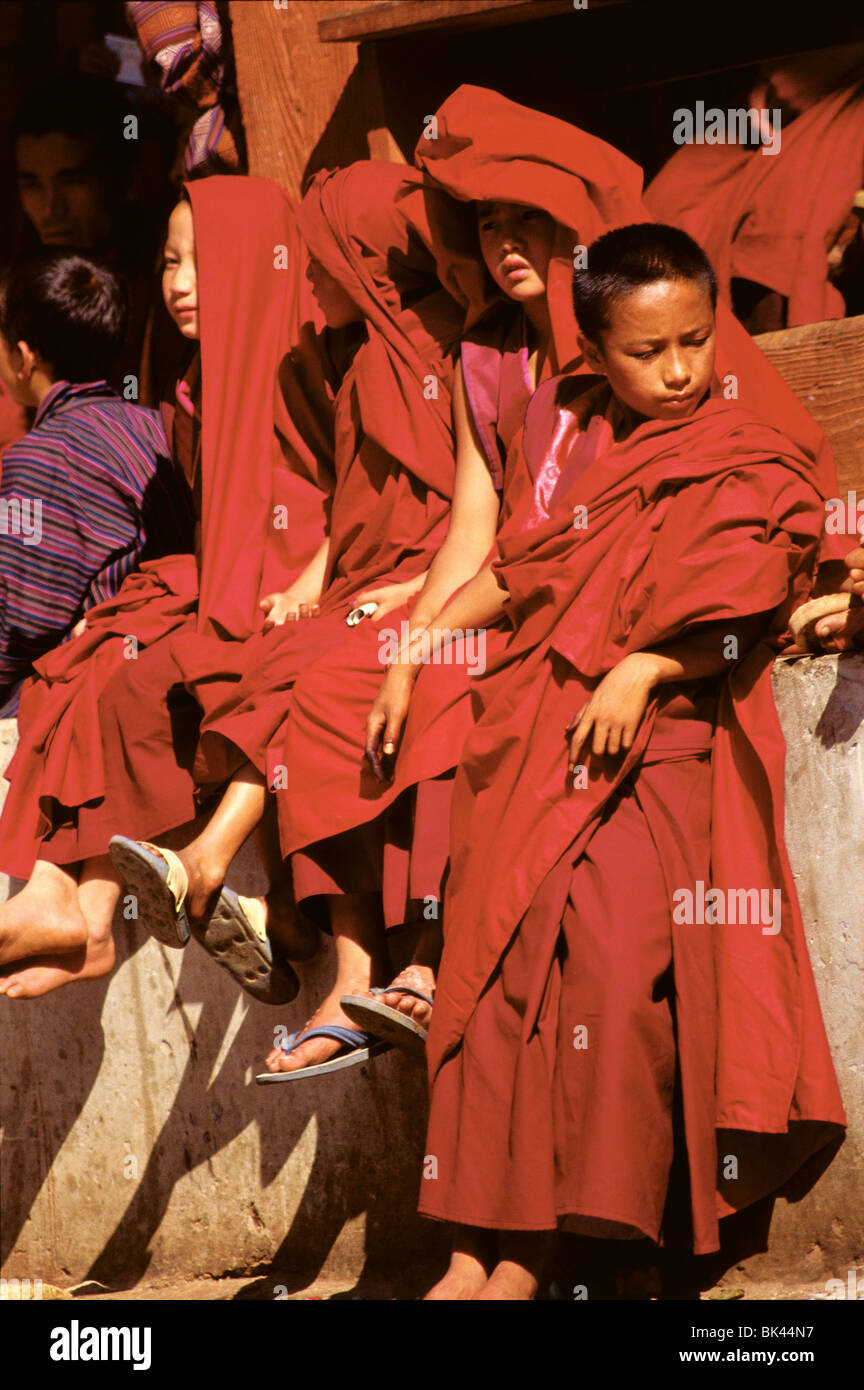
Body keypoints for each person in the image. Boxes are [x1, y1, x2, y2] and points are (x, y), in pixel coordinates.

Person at [409, 223, 845, 1298]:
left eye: (697, 340)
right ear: (595, 354)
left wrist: (647, 666)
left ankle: (591, 1238)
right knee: (503, 967)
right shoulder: (579, 441)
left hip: (670, 749)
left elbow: (756, 601)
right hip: (544, 741)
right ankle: (482, 1246)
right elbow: (525, 572)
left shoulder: (746, 446)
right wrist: (411, 653)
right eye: (649, 353)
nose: (682, 370)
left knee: (611, 967)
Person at [265, 87, 650, 1071]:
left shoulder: (618, 339)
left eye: (530, 219)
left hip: (578, 597)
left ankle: (431, 960)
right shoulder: (485, 351)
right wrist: (405, 640)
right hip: (493, 586)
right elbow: (474, 525)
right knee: (327, 689)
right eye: (489, 223)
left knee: (442, 684)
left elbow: (573, 532)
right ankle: (357, 972)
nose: (509, 242)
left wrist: (424, 647)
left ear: (571, 225)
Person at [106, 161, 465, 1075]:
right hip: (375, 585)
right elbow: (356, 505)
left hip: (448, 595)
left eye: (320, 263)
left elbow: (479, 501)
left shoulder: (424, 355)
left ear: (366, 262)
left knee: (316, 678)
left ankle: (264, 898)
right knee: (287, 665)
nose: (303, 283)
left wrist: (424, 591)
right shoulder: (357, 360)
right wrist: (320, 574)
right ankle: (310, 939)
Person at [0, 176, 331, 996]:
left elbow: (24, 612)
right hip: (215, 590)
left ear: (22, 355)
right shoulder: (172, 399)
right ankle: (70, 901)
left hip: (298, 603)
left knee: (96, 665)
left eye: (202, 262)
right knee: (99, 664)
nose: (180, 283)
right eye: (170, 263)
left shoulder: (307, 369)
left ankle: (92, 898)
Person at [0, 249, 185, 714]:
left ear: (23, 359)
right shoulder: (156, 426)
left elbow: (22, 625)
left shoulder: (38, 459)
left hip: (77, 700)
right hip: (158, 672)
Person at [646, 51, 864, 331]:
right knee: (667, 206)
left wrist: (834, 61)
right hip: (760, 97)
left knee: (787, 212)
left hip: (827, 80)